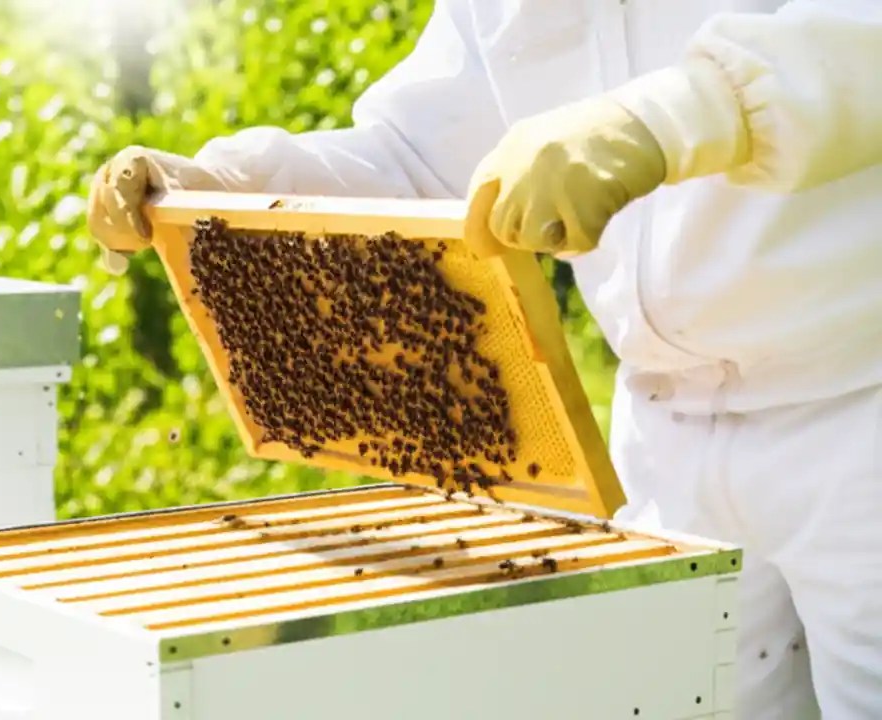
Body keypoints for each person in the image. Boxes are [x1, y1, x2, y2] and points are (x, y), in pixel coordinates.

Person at [86, 2, 882, 717]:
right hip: (669, 439)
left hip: (860, 414)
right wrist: (225, 185)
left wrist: (687, 112)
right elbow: (416, 158)